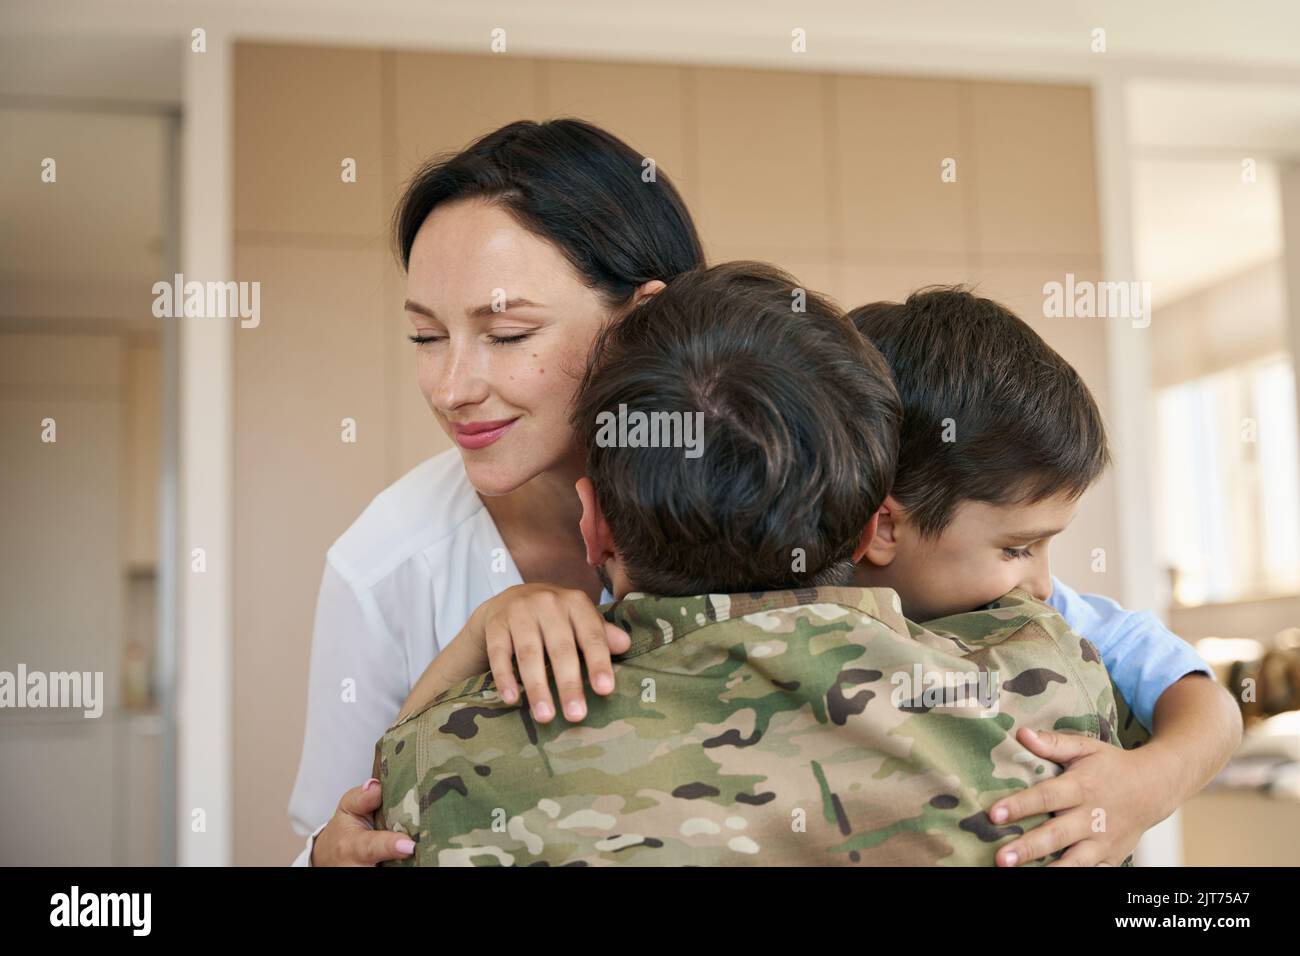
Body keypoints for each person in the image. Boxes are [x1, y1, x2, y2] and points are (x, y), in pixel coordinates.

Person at [373, 261, 1135, 866]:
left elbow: (383, 802)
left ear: (593, 523)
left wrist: (472, 648)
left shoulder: (449, 764)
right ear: (877, 518)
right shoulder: (1046, 689)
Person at [289, 118, 704, 866]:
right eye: (426, 337)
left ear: (642, 319)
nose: (451, 389)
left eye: (507, 334)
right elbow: (334, 838)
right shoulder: (385, 566)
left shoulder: (776, 490)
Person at [847, 289, 1241, 866]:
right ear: (883, 527)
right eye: (1018, 548)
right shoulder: (801, 612)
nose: (1041, 582)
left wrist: (1148, 783)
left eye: (1046, 544)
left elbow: (1211, 707)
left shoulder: (1048, 613)